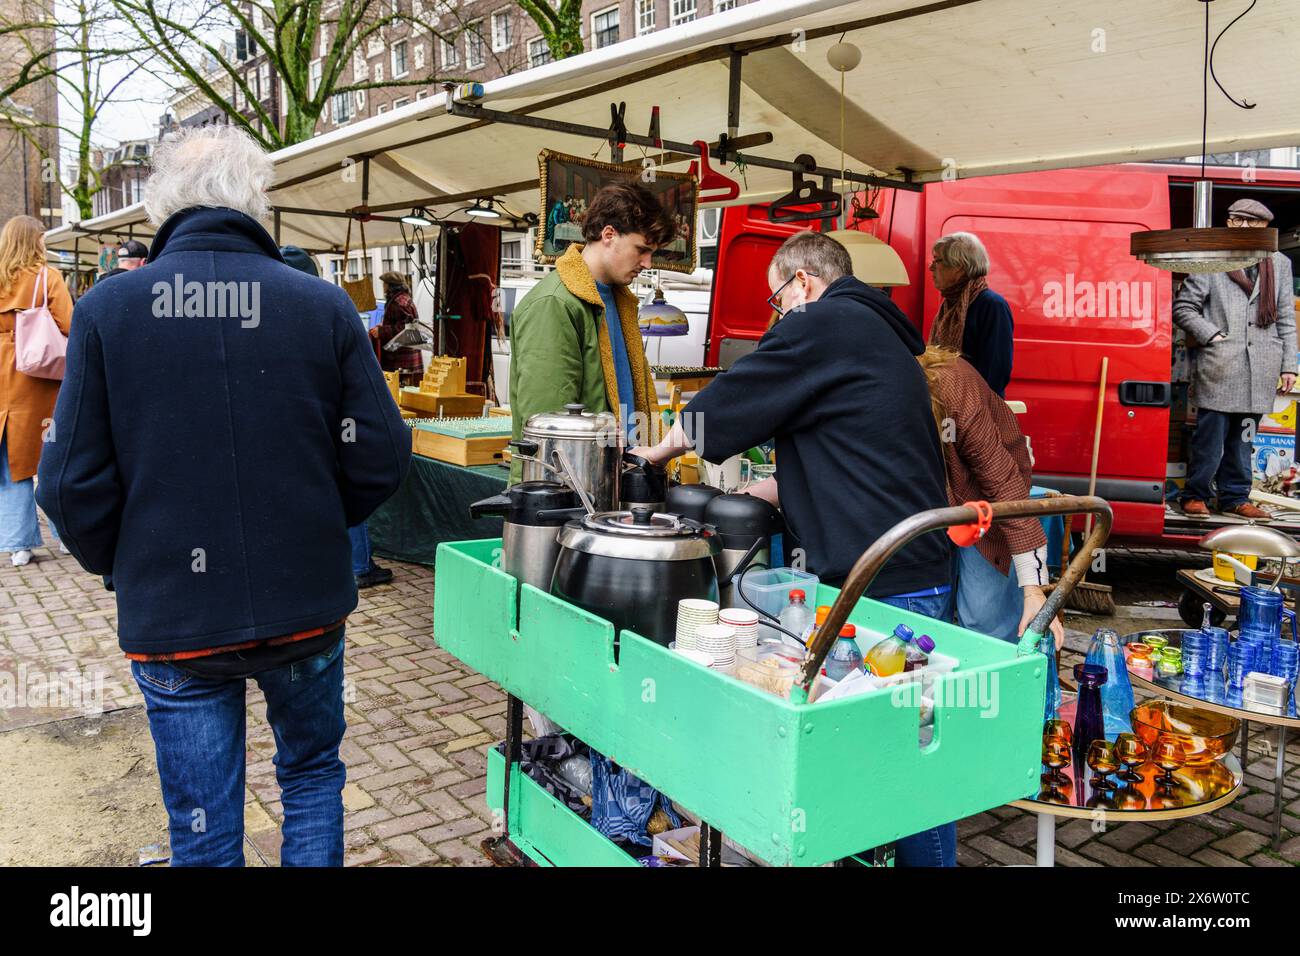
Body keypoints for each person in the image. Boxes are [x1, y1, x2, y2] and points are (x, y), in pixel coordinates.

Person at [37, 125, 411, 866]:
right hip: (302, 598)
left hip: (176, 609)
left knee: (204, 820)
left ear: (160, 206)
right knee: (310, 776)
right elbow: (380, 451)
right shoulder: (322, 306)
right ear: (256, 199)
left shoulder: (111, 310)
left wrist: (129, 559)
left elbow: (68, 480)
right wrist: (315, 523)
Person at [632, 230, 957, 866]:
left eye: (776, 299)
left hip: (884, 580)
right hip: (915, 565)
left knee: (893, 755)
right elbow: (855, 439)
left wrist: (655, 451)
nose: (776, 314)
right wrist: (781, 485)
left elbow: (730, 398)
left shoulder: (823, 322)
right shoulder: (876, 331)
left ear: (802, 283)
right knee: (908, 744)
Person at [508, 181, 675, 481]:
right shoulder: (554, 304)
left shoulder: (620, 300)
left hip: (610, 484)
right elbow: (551, 429)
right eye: (642, 249)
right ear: (608, 234)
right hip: (568, 495)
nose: (647, 263)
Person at [917, 346, 1064, 648]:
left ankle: (996, 673)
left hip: (989, 492)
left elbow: (1004, 485)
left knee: (985, 616)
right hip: (932, 499)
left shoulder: (953, 387)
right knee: (930, 612)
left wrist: (1034, 591)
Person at [1175, 198, 1296, 521]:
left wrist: (1289, 365)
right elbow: (1184, 307)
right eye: (1236, 220)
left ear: (1264, 228)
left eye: (1251, 222)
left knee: (1243, 439)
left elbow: (1285, 315)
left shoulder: (1279, 263)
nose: (1242, 227)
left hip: (1260, 367)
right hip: (1220, 364)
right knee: (1210, 438)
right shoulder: (1212, 258)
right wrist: (1213, 336)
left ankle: (1234, 497)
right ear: (1228, 223)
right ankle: (1196, 494)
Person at [283, 245, 396, 589]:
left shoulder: (262, 317)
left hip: (295, 437)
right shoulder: (329, 311)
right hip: (332, 433)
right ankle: (360, 564)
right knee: (342, 486)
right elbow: (375, 418)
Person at [0, 215, 73, 567]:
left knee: (10, 466)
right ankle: (65, 537)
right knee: (51, 461)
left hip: (2, 380)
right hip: (39, 379)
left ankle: (19, 544)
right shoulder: (47, 277)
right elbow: (70, 323)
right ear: (35, 242)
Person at [928, 231, 1014, 396]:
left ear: (959, 266)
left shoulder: (991, 305)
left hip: (977, 409)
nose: (931, 267)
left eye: (937, 260)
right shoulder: (950, 304)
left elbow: (995, 373)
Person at [372, 270, 423, 385]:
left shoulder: (398, 302)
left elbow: (406, 329)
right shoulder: (404, 298)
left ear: (390, 286)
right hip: (406, 357)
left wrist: (382, 331)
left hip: (401, 360)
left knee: (400, 393)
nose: (383, 287)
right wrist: (384, 326)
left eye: (384, 284)